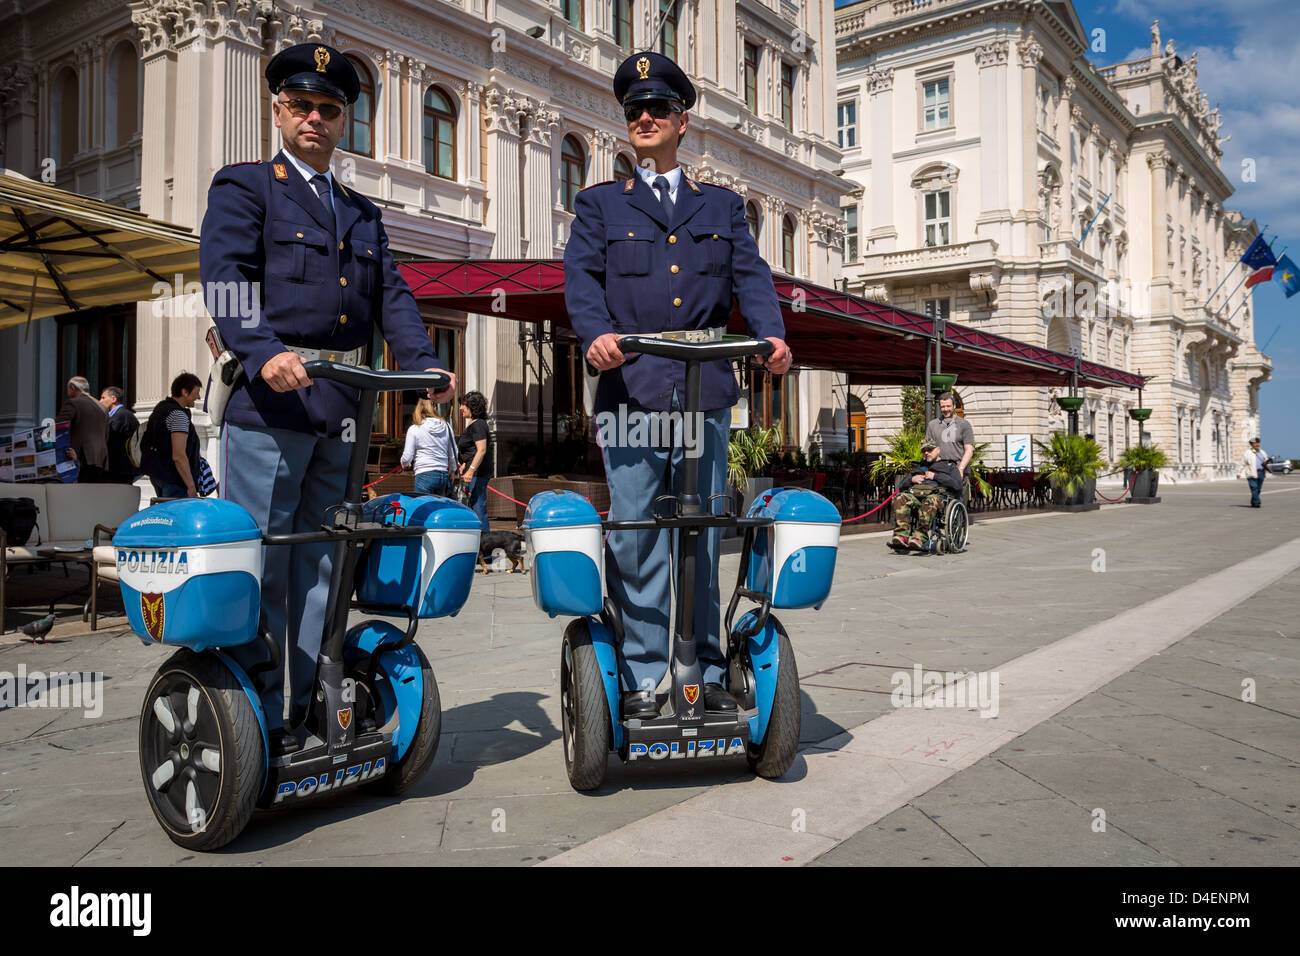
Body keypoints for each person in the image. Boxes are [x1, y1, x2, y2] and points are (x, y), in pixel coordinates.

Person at [199, 43, 454, 756]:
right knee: (269, 557)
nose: (315, 117)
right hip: (271, 408)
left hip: (342, 410)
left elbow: (393, 297)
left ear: (345, 121)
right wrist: (261, 350)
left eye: (330, 108)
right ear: (278, 110)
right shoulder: (246, 187)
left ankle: (311, 693)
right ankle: (258, 704)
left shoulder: (362, 214)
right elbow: (224, 278)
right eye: (302, 105)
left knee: (326, 561)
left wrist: (426, 363)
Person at [564, 50, 791, 720]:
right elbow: (580, 280)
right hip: (631, 389)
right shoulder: (601, 204)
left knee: (700, 530)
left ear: (681, 120)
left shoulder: (721, 207)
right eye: (633, 109)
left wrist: (773, 336)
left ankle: (706, 666)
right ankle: (638, 674)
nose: (643, 117)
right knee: (635, 532)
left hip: (705, 392)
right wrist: (596, 335)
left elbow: (752, 280)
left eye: (656, 108)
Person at [889, 441, 963, 552]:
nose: (926, 453)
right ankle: (902, 535)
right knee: (901, 498)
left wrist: (936, 476)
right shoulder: (918, 466)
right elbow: (901, 486)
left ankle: (920, 536)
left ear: (938, 450)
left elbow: (957, 485)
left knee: (929, 501)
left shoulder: (949, 466)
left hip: (938, 497)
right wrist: (912, 479)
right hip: (917, 495)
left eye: (929, 450)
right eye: (924, 451)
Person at [140, 373, 203, 499]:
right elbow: (178, 455)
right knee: (177, 516)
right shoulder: (178, 415)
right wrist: (191, 486)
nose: (198, 397)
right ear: (184, 392)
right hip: (175, 479)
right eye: (196, 392)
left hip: (158, 474)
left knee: (166, 514)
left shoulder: (161, 409)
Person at [55, 376, 109, 483]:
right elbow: (106, 434)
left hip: (79, 458)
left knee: (77, 495)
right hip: (100, 458)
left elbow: (58, 428)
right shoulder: (103, 407)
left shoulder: (73, 403)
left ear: (72, 387)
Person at [402, 399, 457, 497]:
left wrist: (404, 463)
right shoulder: (446, 426)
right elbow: (453, 452)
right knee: (436, 507)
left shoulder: (414, 429)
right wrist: (452, 470)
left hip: (424, 473)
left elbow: (407, 456)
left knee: (424, 508)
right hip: (442, 474)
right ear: (435, 408)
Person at [456, 391, 492, 531]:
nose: (460, 408)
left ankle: (484, 542)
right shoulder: (473, 424)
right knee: (473, 506)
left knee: (478, 507)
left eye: (463, 405)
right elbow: (470, 449)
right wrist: (464, 463)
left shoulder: (478, 425)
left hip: (477, 474)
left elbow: (481, 450)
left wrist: (471, 471)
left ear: (473, 406)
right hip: (471, 472)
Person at [925, 392, 974, 479]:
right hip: (939, 471)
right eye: (943, 407)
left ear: (954, 406)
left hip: (959, 470)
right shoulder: (932, 425)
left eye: (948, 406)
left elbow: (969, 450)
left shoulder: (964, 424)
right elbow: (928, 450)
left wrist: (961, 468)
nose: (945, 409)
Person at [99, 386, 140, 484]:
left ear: (113, 399)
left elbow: (109, 441)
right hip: (120, 470)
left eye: (103, 398)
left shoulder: (121, 416)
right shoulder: (119, 415)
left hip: (120, 471)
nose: (100, 401)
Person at [1239, 437, 1267, 508]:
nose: (1257, 444)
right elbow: (1242, 463)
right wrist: (1238, 472)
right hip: (1251, 473)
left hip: (1261, 473)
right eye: (1255, 443)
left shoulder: (1262, 452)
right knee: (1254, 488)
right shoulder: (1247, 453)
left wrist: (1266, 469)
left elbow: (1266, 462)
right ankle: (1257, 502)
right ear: (1251, 444)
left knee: (1258, 489)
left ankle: (1253, 502)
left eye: (1258, 443)